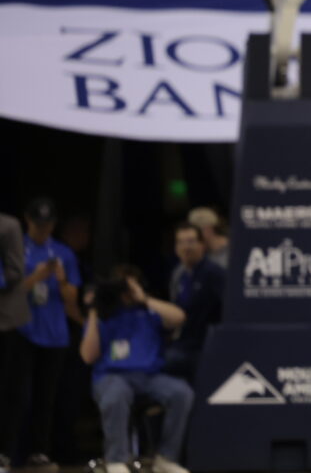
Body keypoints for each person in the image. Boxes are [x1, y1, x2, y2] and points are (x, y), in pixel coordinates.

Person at [82, 267, 193, 473]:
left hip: (149, 376)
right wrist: (94, 309)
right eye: (122, 287)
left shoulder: (149, 312)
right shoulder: (104, 315)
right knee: (115, 395)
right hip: (111, 376)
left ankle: (166, 458)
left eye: (129, 286)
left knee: (181, 393)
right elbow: (88, 356)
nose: (126, 292)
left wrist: (144, 298)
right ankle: (116, 460)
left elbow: (179, 317)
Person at [9, 198, 82, 472]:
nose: (43, 229)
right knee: (17, 396)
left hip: (55, 334)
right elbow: (9, 293)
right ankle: (9, 452)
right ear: (27, 221)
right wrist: (35, 278)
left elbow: (71, 299)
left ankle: (39, 451)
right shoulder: (17, 250)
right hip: (23, 330)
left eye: (48, 224)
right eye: (39, 224)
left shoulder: (63, 253)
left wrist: (61, 279)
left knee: (46, 397)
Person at [163, 223, 224, 381]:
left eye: (191, 241)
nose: (186, 247)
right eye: (181, 242)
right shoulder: (178, 275)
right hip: (181, 344)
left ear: (202, 244)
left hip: (206, 347)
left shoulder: (214, 273)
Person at [0, 211, 30, 472]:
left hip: (5, 322)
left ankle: (3, 454)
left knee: (8, 391)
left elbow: (15, 271)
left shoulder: (8, 226)